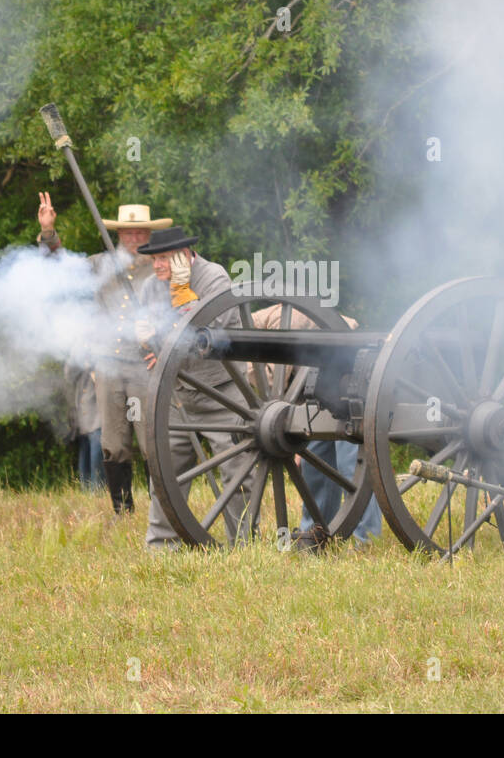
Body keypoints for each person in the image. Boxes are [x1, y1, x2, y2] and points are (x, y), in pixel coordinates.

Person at [38, 196, 169, 514]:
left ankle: (161, 509)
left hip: (144, 366)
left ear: (149, 235)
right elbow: (60, 267)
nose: (134, 238)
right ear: (119, 234)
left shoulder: (160, 266)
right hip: (108, 365)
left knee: (150, 441)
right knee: (112, 443)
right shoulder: (99, 263)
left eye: (140, 233)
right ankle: (122, 510)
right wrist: (48, 232)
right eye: (128, 233)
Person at [136, 226, 255, 549]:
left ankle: (241, 546)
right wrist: (148, 343)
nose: (157, 265)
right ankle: (162, 546)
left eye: (162, 258)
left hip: (222, 392)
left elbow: (208, 334)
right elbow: (151, 337)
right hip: (177, 393)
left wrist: (181, 293)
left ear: (185, 256)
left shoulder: (213, 278)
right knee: (164, 471)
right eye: (155, 258)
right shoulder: (149, 287)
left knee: (236, 473)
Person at [248, 303, 382, 550]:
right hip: (320, 389)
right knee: (316, 462)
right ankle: (316, 533)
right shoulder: (264, 325)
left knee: (351, 463)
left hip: (352, 370)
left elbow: (275, 386)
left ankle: (367, 538)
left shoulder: (281, 319)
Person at [65, 362, 103, 490]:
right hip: (82, 411)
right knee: (85, 456)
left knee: (97, 452)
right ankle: (86, 492)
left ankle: (97, 491)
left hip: (98, 411)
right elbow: (69, 374)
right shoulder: (78, 347)